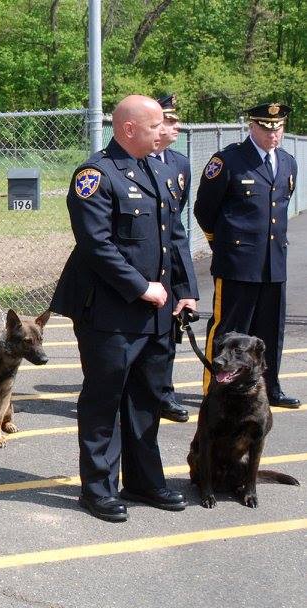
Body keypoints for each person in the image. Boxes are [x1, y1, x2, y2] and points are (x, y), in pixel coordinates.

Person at [50, 95, 195, 523]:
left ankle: (145, 480)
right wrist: (140, 287)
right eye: (155, 126)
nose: (163, 132)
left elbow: (175, 234)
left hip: (157, 309)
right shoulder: (96, 174)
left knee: (147, 398)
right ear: (129, 129)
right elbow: (96, 245)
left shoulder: (161, 167)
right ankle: (98, 488)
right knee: (104, 399)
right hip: (109, 312)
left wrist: (184, 288)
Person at [194, 102, 300, 409]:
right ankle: (214, 389)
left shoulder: (287, 161)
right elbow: (205, 210)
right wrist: (224, 244)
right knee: (228, 329)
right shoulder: (228, 161)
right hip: (237, 262)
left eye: (278, 127)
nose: (274, 135)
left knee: (270, 329)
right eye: (267, 128)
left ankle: (271, 388)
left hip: (273, 262)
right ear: (252, 126)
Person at [149, 94, 199, 423]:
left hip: (169, 264)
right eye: (168, 120)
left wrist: (188, 288)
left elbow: (177, 227)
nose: (175, 125)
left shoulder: (179, 163)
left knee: (169, 335)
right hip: (140, 269)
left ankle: (164, 394)